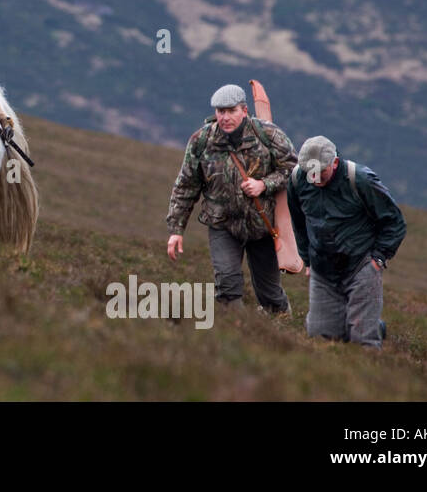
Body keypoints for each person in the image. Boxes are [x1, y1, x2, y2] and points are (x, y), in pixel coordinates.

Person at [165, 84, 297, 313]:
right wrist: (176, 229)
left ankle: (282, 332)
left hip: (262, 226)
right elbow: (186, 185)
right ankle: (238, 332)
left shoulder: (268, 135)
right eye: (220, 111)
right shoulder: (202, 141)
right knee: (227, 285)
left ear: (244, 110)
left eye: (231, 111)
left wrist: (264, 184)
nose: (225, 117)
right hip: (222, 225)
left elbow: (294, 172)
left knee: (270, 295)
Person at [287, 135, 406, 348]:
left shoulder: (359, 179)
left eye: (320, 172)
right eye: (309, 172)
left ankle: (372, 330)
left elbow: (394, 222)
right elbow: (298, 222)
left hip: (361, 265)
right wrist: (307, 260)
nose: (314, 178)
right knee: (320, 339)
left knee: (363, 342)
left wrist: (378, 259)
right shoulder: (297, 180)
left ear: (334, 162)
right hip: (322, 268)